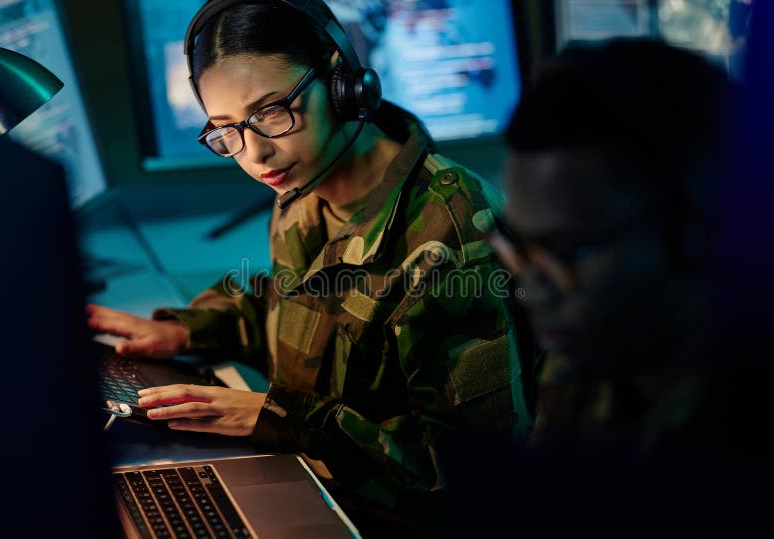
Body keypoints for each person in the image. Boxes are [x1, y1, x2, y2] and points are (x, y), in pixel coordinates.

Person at [87, 0, 531, 534]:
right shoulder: (304, 181)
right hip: (311, 486)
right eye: (226, 129)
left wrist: (280, 420)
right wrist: (182, 331)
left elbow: (471, 477)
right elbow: (297, 307)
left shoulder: (456, 234)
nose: (255, 156)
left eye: (272, 112)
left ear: (344, 85)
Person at [487, 38, 746, 531]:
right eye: (517, 247)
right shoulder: (583, 366)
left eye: (565, 252)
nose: (533, 288)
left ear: (699, 225)